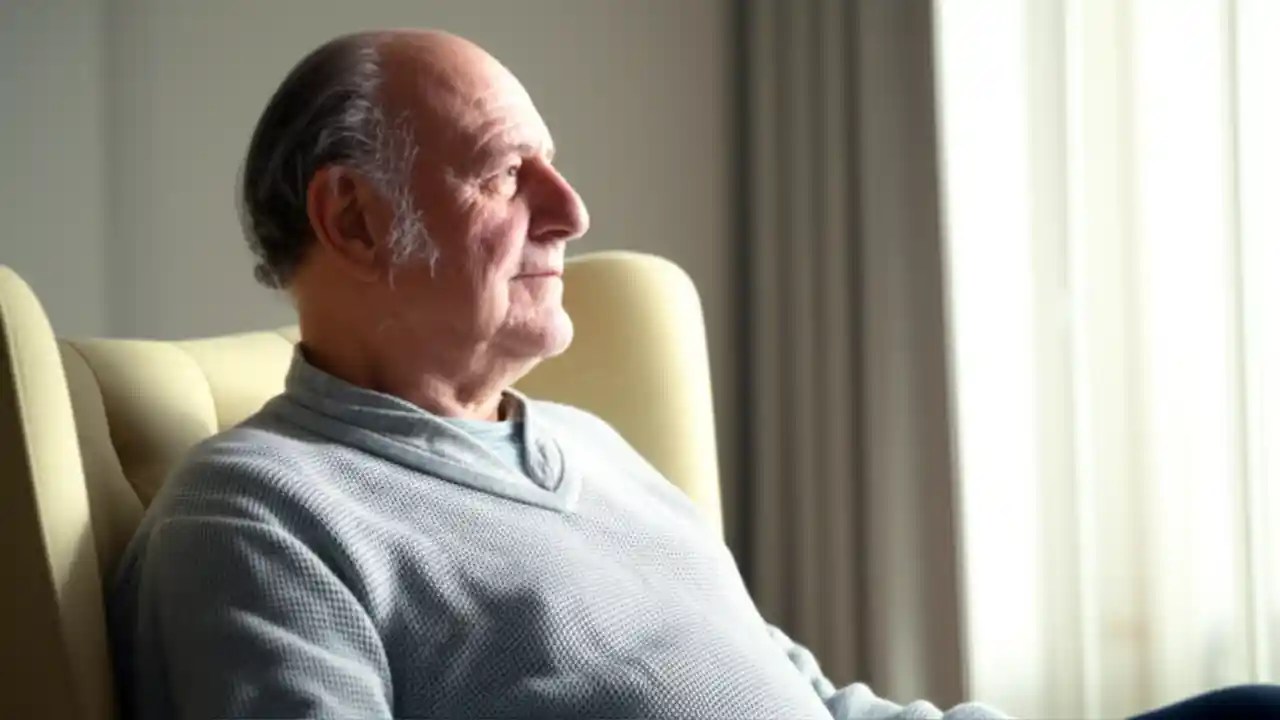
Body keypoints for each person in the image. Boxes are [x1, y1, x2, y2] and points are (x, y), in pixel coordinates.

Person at [106, 29, 1277, 720]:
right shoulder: (258, 517)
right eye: (506, 174)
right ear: (353, 219)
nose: (570, 210)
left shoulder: (592, 451)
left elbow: (801, 697)